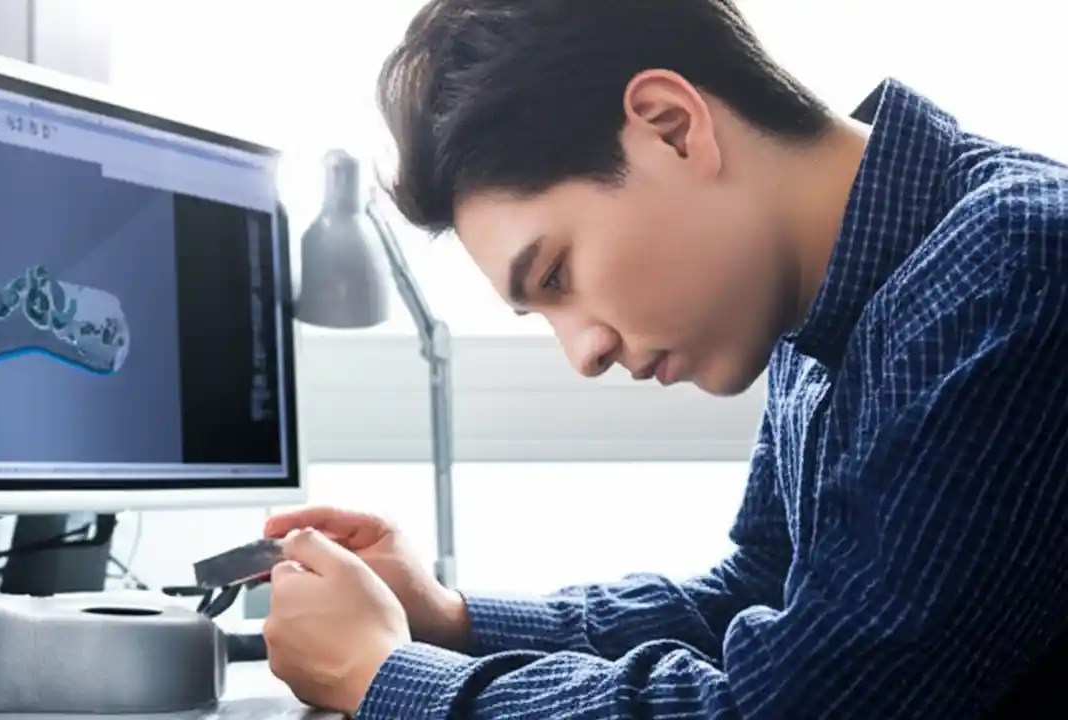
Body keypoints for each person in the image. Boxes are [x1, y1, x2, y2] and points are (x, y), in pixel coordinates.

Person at [258, 0, 1068, 717]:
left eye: (557, 276)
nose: (583, 353)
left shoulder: (1013, 271)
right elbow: (757, 596)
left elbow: (784, 705)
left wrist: (383, 675)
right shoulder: (825, 309)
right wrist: (448, 617)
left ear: (671, 126)